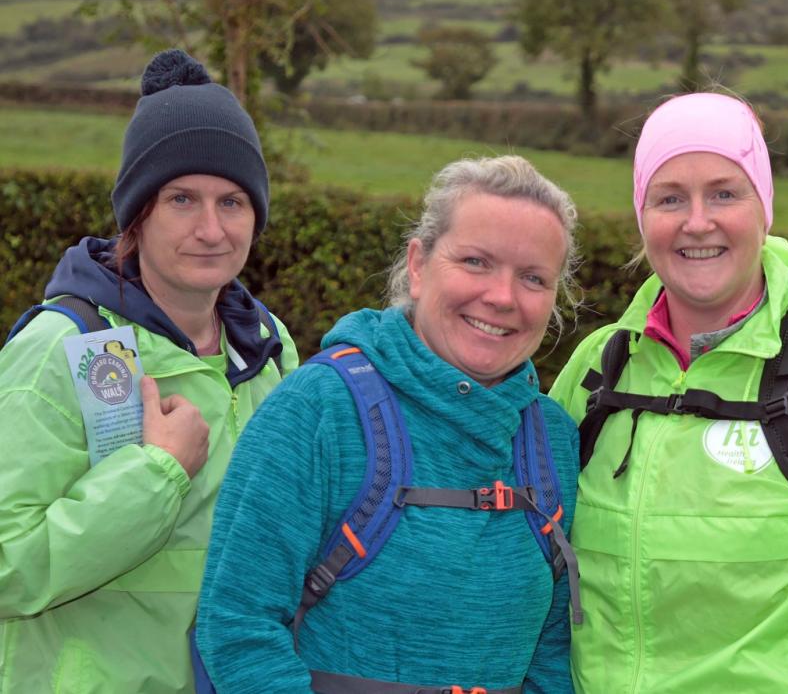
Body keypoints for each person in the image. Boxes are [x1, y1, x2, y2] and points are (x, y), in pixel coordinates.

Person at [549, 92, 788, 692]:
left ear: (764, 207)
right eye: (670, 197)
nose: (697, 222)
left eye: (725, 193)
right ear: (642, 216)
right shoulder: (600, 369)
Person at [196, 155, 581, 694]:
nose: (502, 297)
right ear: (419, 265)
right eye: (475, 261)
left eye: (533, 278)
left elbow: (554, 652)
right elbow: (238, 627)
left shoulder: (553, 440)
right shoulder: (318, 410)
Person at [0, 49, 298, 692]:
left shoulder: (271, 349)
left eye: (234, 201)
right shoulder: (61, 346)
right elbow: (6, 569)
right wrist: (156, 475)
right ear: (137, 213)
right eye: (181, 199)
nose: (211, 229)